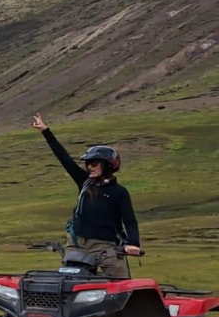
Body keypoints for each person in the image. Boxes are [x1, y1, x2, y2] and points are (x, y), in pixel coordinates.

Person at [32, 113, 141, 277]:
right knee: (71, 286)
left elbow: (130, 221)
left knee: (122, 286)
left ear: (108, 165)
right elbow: (65, 159)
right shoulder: (84, 182)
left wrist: (133, 244)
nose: (89, 167)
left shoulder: (119, 192)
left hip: (105, 247)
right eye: (88, 163)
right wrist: (45, 131)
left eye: (94, 163)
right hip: (76, 244)